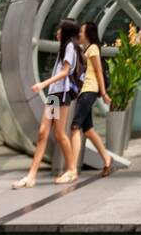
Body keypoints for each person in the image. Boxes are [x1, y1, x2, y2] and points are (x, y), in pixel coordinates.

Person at [12, 18, 82, 188]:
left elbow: (65, 72)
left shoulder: (70, 46)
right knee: (43, 132)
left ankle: (71, 170)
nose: (57, 32)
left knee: (58, 133)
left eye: (59, 30)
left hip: (60, 94)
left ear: (65, 32)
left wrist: (44, 84)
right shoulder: (64, 48)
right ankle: (31, 176)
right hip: (54, 95)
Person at [70, 21, 113, 177]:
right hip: (84, 91)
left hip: (89, 91)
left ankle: (72, 169)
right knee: (88, 130)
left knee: (75, 127)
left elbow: (99, 71)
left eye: (81, 32)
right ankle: (107, 159)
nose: (79, 34)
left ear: (88, 34)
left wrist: (103, 93)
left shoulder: (93, 49)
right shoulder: (85, 49)